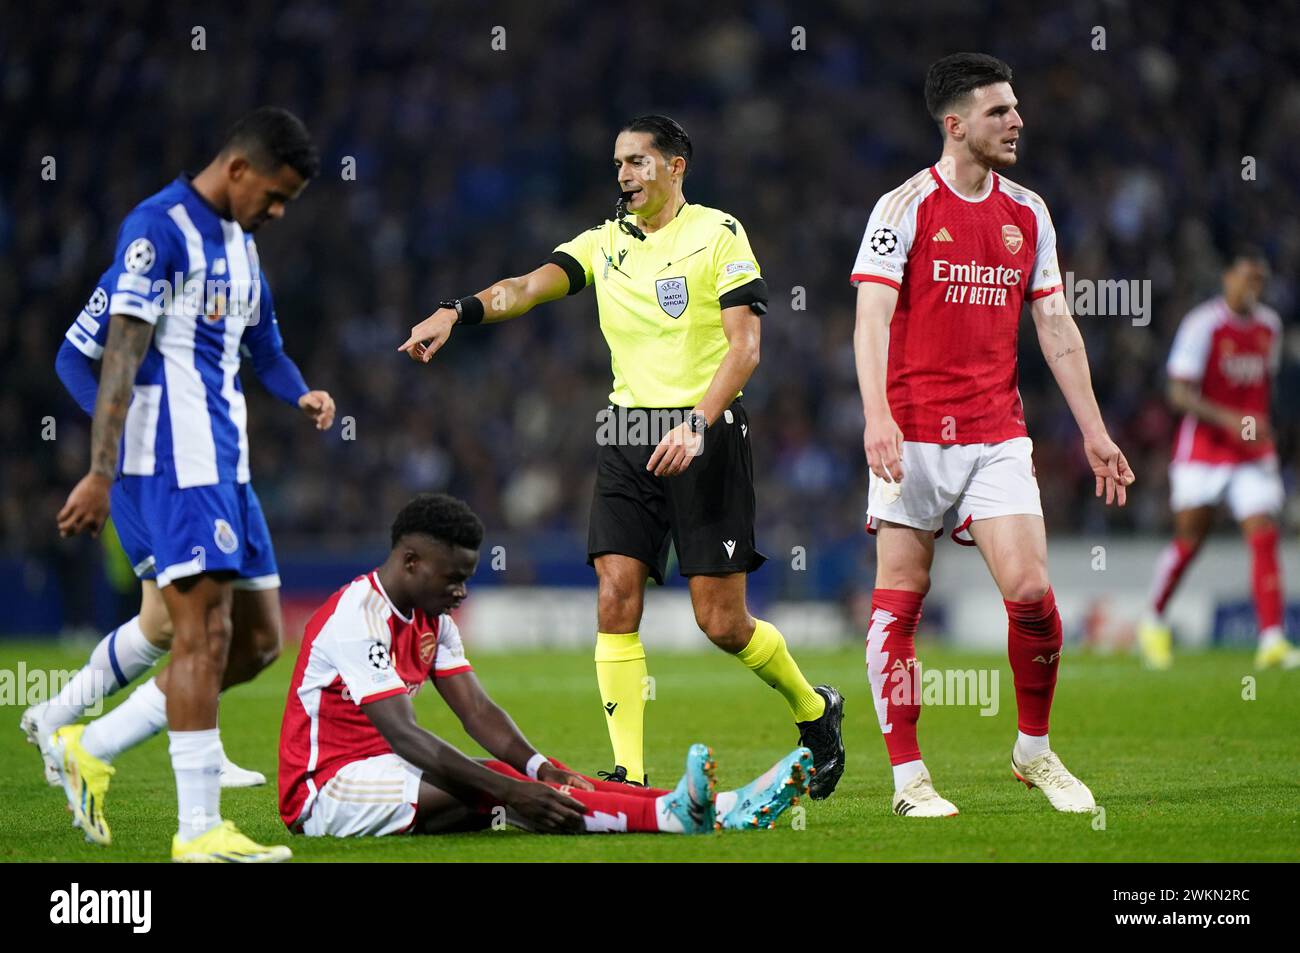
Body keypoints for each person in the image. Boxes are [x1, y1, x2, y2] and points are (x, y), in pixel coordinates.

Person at [400, 115, 844, 798]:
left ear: (675, 167)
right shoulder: (603, 244)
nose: (624, 176)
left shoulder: (718, 235)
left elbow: (745, 347)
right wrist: (456, 311)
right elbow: (523, 287)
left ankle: (815, 710)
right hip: (628, 436)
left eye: (638, 162)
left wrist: (696, 423)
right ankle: (631, 774)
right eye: (618, 164)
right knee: (614, 595)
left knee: (721, 622)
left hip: (707, 432)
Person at [851, 53, 1134, 817]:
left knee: (1033, 591)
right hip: (910, 432)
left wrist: (1094, 431)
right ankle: (910, 778)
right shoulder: (902, 207)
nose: (1017, 121)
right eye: (1000, 111)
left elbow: (1054, 322)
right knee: (901, 599)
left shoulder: (1027, 213)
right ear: (956, 124)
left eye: (1016, 108)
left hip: (995, 430)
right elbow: (871, 317)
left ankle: (1033, 751)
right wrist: (876, 414)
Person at [54, 106, 331, 862]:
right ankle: (197, 829)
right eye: (273, 196)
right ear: (237, 168)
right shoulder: (158, 230)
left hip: (230, 463)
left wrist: (300, 390)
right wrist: (103, 472)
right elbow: (116, 356)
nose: (275, 213)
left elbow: (266, 347)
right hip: (174, 463)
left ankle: (91, 740)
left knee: (260, 641)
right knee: (199, 632)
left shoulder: (242, 249)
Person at [279, 493, 813, 837]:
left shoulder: (429, 615)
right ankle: (675, 819)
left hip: (389, 774)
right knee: (497, 784)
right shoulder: (358, 615)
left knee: (539, 781)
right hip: (327, 789)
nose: (461, 592)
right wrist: (512, 788)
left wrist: (537, 768)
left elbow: (477, 711)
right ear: (411, 562)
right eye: (453, 579)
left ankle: (714, 806)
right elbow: (407, 737)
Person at [22, 276, 323, 791]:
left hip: (218, 466)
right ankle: (186, 757)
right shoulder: (152, 260)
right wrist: (115, 425)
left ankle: (55, 716)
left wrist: (301, 394)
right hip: (152, 474)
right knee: (201, 615)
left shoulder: (246, 268)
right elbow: (71, 357)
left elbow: (268, 353)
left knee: (163, 623)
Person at [1139, 249, 1299, 670]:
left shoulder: (1270, 326)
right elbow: (1178, 393)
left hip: (1251, 452)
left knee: (1262, 533)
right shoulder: (1202, 324)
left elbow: (1265, 386)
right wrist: (1230, 418)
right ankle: (1153, 620)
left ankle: (1272, 639)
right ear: (1227, 278)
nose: (1253, 287)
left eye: (1259, 280)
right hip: (1205, 449)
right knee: (1191, 540)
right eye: (1246, 277)